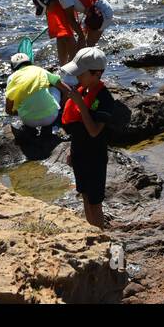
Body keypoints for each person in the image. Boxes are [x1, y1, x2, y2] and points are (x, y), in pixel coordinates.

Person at [55, 47, 118, 229]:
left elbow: (94, 131)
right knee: (84, 194)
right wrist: (71, 150)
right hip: (79, 152)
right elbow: (78, 129)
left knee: (95, 201)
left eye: (81, 74)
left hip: (95, 157)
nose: (77, 78)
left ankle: (99, 234)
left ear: (96, 74)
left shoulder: (105, 99)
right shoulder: (82, 91)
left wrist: (81, 105)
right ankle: (91, 230)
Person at [4, 52, 64, 140]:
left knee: (13, 96)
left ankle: (30, 130)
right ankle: (48, 127)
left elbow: (8, 110)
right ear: (30, 62)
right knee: (54, 88)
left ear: (13, 67)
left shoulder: (11, 78)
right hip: (50, 118)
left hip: (28, 121)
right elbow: (64, 88)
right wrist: (61, 106)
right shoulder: (39, 70)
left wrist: (18, 112)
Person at [38, 0, 114, 51]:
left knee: (88, 46)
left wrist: (81, 37)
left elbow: (72, 20)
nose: (48, 11)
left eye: (47, 8)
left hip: (102, 13)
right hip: (100, 7)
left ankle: (87, 63)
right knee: (85, 44)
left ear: (50, 1)